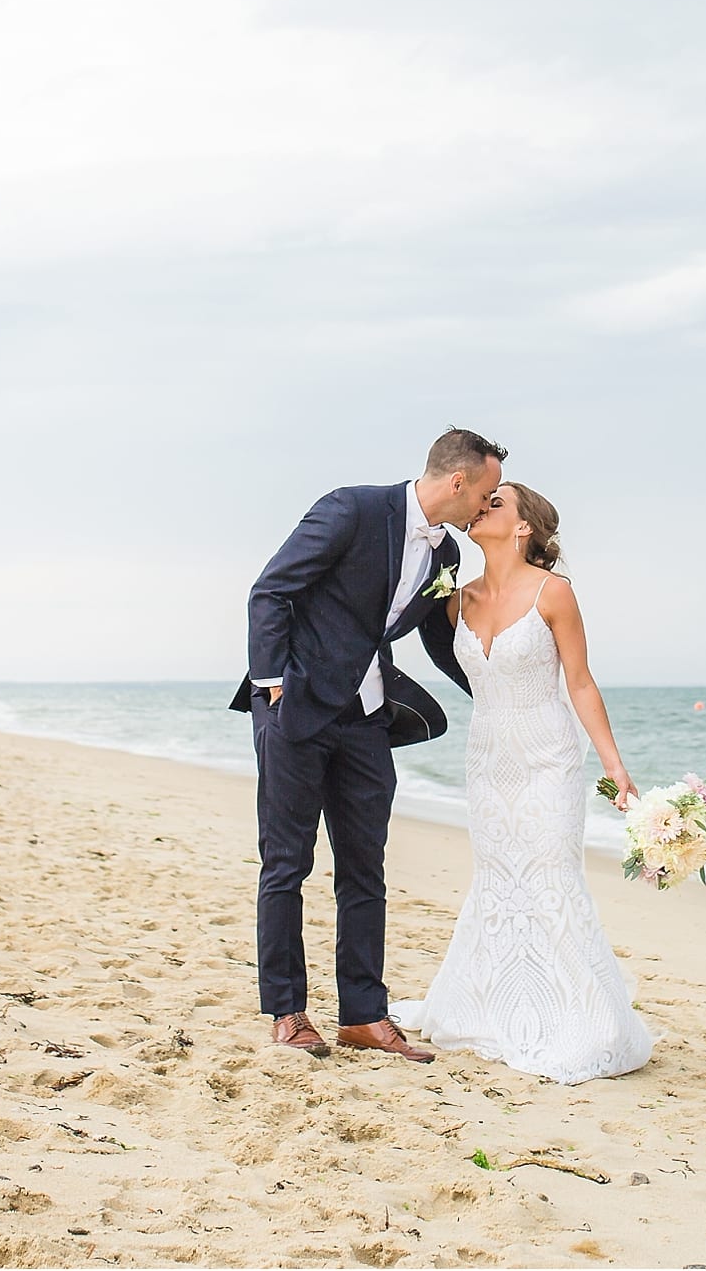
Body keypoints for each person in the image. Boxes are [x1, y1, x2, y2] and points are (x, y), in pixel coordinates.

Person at [229, 427, 505, 1059]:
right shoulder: (352, 509)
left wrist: (490, 691)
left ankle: (362, 1014)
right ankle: (288, 1011)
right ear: (458, 481)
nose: (486, 507)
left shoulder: (445, 558)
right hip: (293, 711)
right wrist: (271, 683)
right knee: (286, 865)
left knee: (365, 870)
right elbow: (271, 590)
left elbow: (437, 640)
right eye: (485, 494)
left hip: (367, 723)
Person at [388, 482, 657, 1084]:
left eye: (497, 503)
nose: (482, 506)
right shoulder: (455, 600)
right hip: (487, 759)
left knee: (551, 877)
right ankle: (497, 1006)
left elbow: (581, 683)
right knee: (499, 881)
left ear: (524, 527)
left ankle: (577, 1019)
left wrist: (614, 766)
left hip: (547, 758)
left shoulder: (554, 593)